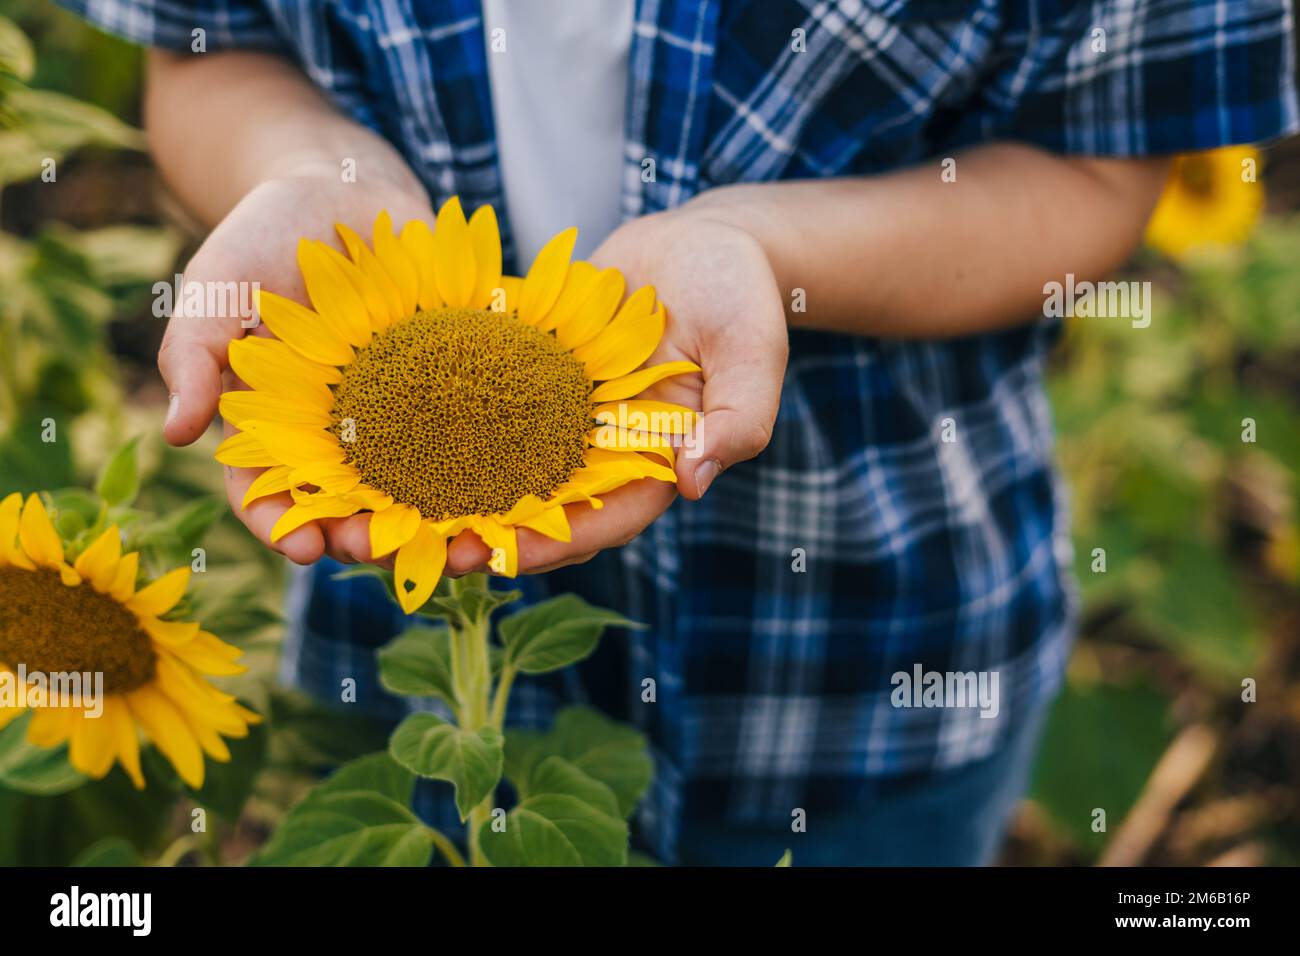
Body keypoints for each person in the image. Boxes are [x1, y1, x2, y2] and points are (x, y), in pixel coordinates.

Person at [59, 0, 1297, 864]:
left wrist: (765, 248)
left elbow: (1098, 160)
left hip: (864, 662)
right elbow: (210, 48)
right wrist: (313, 175)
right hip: (379, 645)